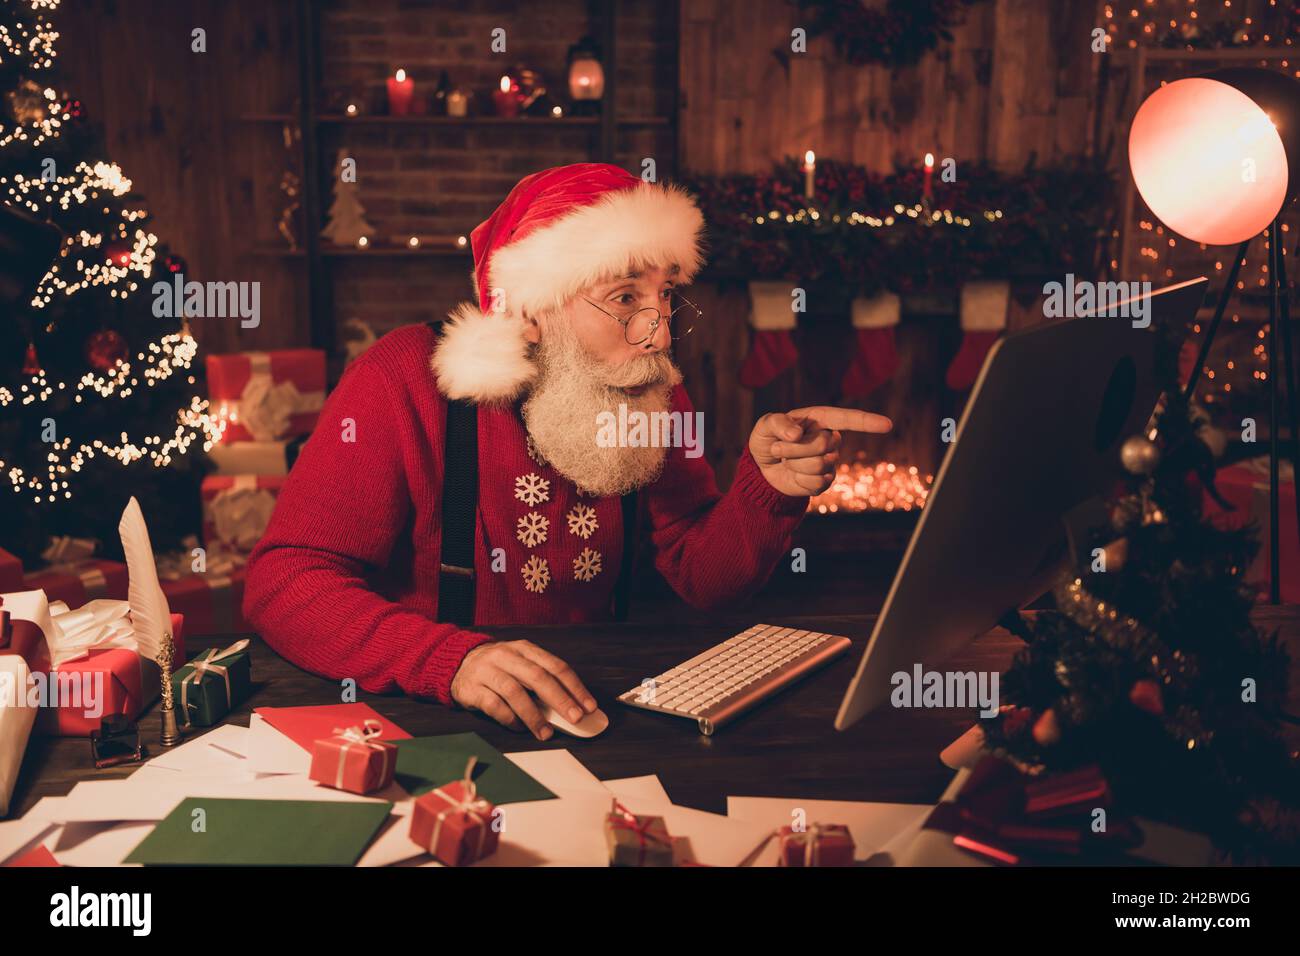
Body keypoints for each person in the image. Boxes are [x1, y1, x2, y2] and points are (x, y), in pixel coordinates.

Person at [244, 163, 891, 740]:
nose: (659, 332)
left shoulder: (657, 392)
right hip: (420, 719)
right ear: (532, 309)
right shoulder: (400, 380)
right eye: (624, 299)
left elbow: (705, 579)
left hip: (592, 703)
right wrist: (449, 659)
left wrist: (767, 490)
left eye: (665, 295)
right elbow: (284, 583)